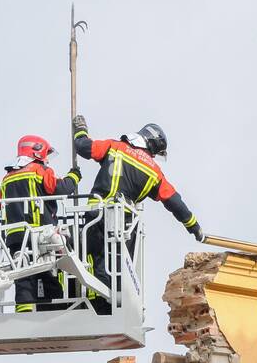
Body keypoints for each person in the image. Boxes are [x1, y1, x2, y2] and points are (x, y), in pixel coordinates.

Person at [72, 115, 204, 312]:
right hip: (124, 224)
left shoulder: (114, 147)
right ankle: (113, 305)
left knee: (89, 258)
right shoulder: (153, 170)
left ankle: (96, 303)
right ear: (151, 144)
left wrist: (81, 130)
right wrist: (194, 226)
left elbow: (83, 147)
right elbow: (174, 202)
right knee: (119, 267)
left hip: (96, 216)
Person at [0, 134, 82, 312]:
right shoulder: (39, 170)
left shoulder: (8, 176)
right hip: (39, 233)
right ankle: (51, 308)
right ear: (37, 151)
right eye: (46, 154)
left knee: (22, 273)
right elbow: (59, 188)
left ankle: (24, 310)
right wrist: (74, 176)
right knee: (49, 270)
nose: (47, 160)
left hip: (14, 236)